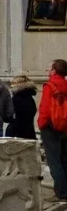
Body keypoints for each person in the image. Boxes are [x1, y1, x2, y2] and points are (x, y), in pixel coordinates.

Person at [39, 59, 67, 200]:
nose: (47, 70)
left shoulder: (50, 86)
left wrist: (41, 124)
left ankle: (61, 193)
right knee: (64, 159)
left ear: (54, 70)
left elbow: (44, 109)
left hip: (51, 127)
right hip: (65, 127)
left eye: (49, 68)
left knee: (54, 161)